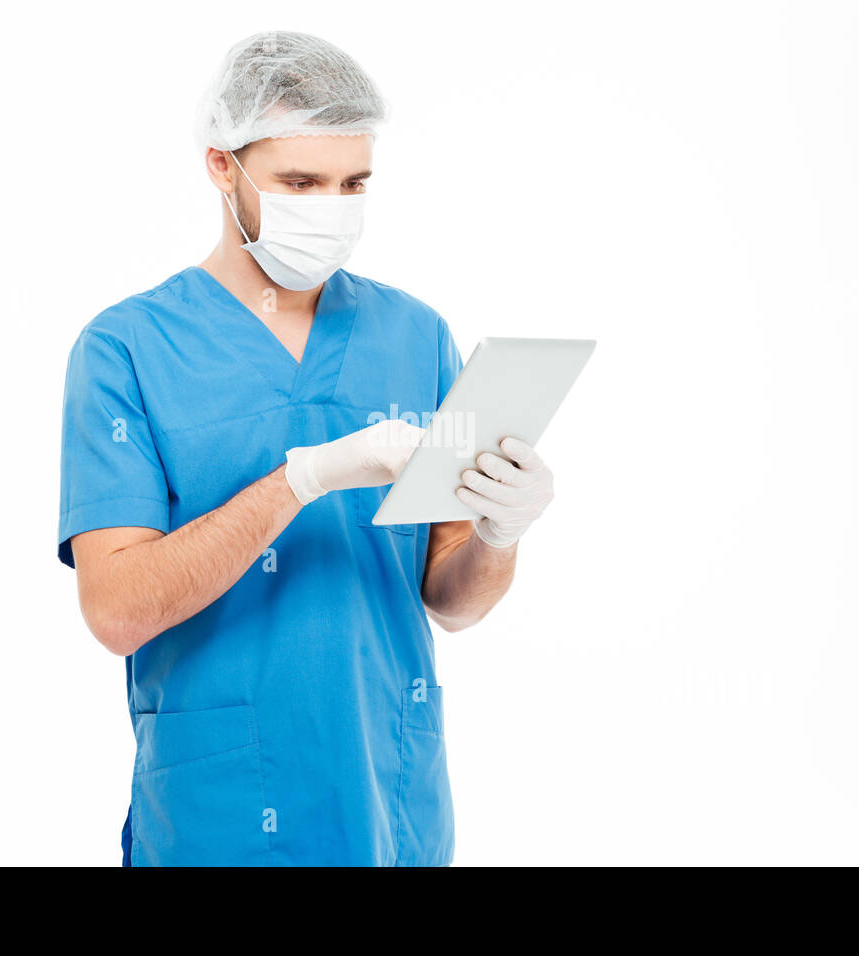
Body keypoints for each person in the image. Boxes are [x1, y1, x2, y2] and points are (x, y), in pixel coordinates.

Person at [57, 30, 557, 866]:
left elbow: (451, 599)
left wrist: (500, 533)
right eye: (300, 182)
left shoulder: (414, 335)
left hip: (391, 804)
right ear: (222, 166)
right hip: (218, 815)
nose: (331, 207)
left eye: (353, 183)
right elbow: (117, 611)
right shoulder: (127, 350)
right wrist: (305, 478)